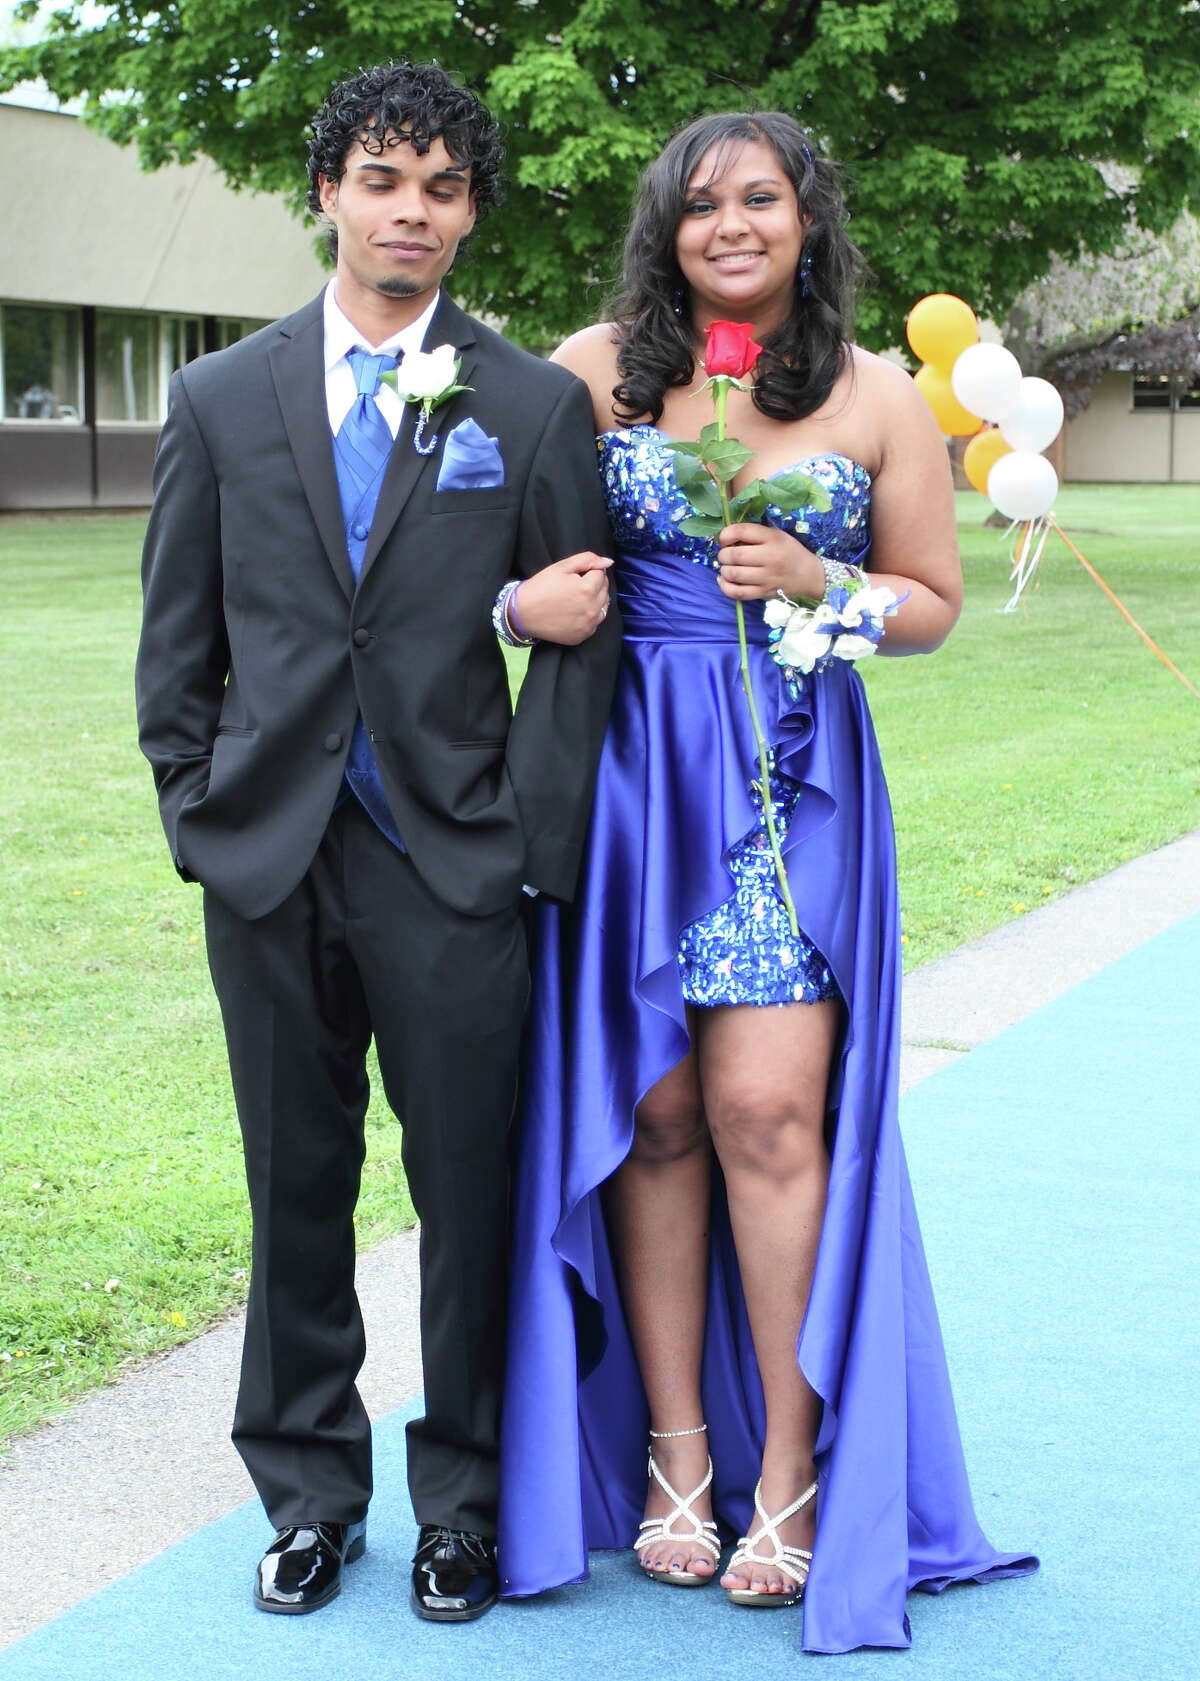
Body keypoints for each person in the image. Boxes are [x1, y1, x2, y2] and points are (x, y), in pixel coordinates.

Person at [498, 110, 1037, 1652]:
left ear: (810, 218)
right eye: (699, 203)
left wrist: (828, 585)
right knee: (654, 1112)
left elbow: (932, 603)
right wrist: (524, 604)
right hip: (624, 784)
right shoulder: (593, 369)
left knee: (764, 1113)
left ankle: (790, 1471)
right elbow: (481, 552)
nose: (729, 223)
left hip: (782, 787)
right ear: (666, 229)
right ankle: (679, 1453)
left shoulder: (874, 399)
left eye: (760, 197)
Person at [135, 61, 620, 1623]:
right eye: (383, 178)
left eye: (443, 188)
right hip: (268, 857)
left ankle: (462, 1499)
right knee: (295, 1183)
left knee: (466, 1186)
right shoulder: (218, 398)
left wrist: (526, 844)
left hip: (454, 860)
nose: (411, 211)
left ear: (470, 215)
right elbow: (177, 648)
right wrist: (198, 823)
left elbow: (583, 643)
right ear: (329, 190)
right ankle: (304, 1488)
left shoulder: (532, 404)